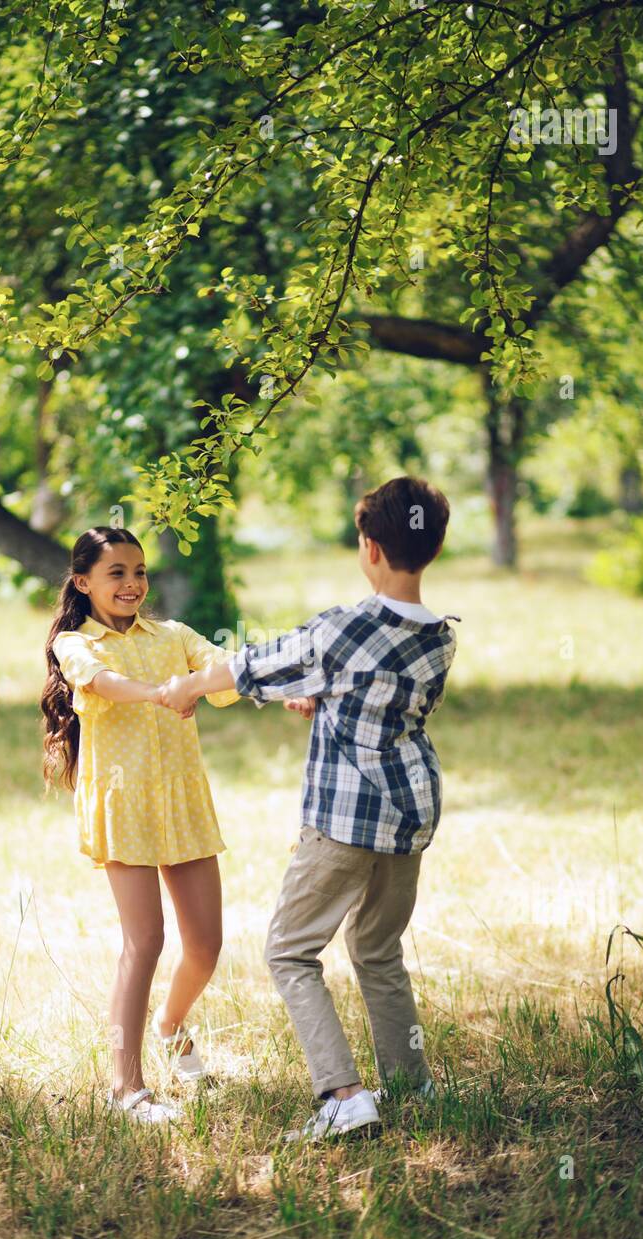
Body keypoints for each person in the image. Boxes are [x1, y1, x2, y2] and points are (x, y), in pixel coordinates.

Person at [158, 477, 460, 1142]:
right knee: (377, 947)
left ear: (371, 549)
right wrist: (324, 700)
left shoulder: (340, 628)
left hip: (345, 823)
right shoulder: (441, 638)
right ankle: (412, 1086)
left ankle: (344, 1098)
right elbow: (384, 702)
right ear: (432, 548)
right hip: (408, 816)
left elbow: (247, 666)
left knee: (291, 952)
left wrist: (185, 687)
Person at [40, 525, 311, 1126]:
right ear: (83, 583)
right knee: (145, 941)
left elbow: (228, 671)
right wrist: (165, 692)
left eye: (139, 571)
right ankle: (125, 1089)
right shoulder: (75, 644)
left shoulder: (174, 636)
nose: (133, 583)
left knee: (206, 945)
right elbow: (101, 684)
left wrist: (284, 689)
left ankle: (170, 1025)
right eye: (117, 573)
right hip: (125, 804)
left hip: (182, 801)